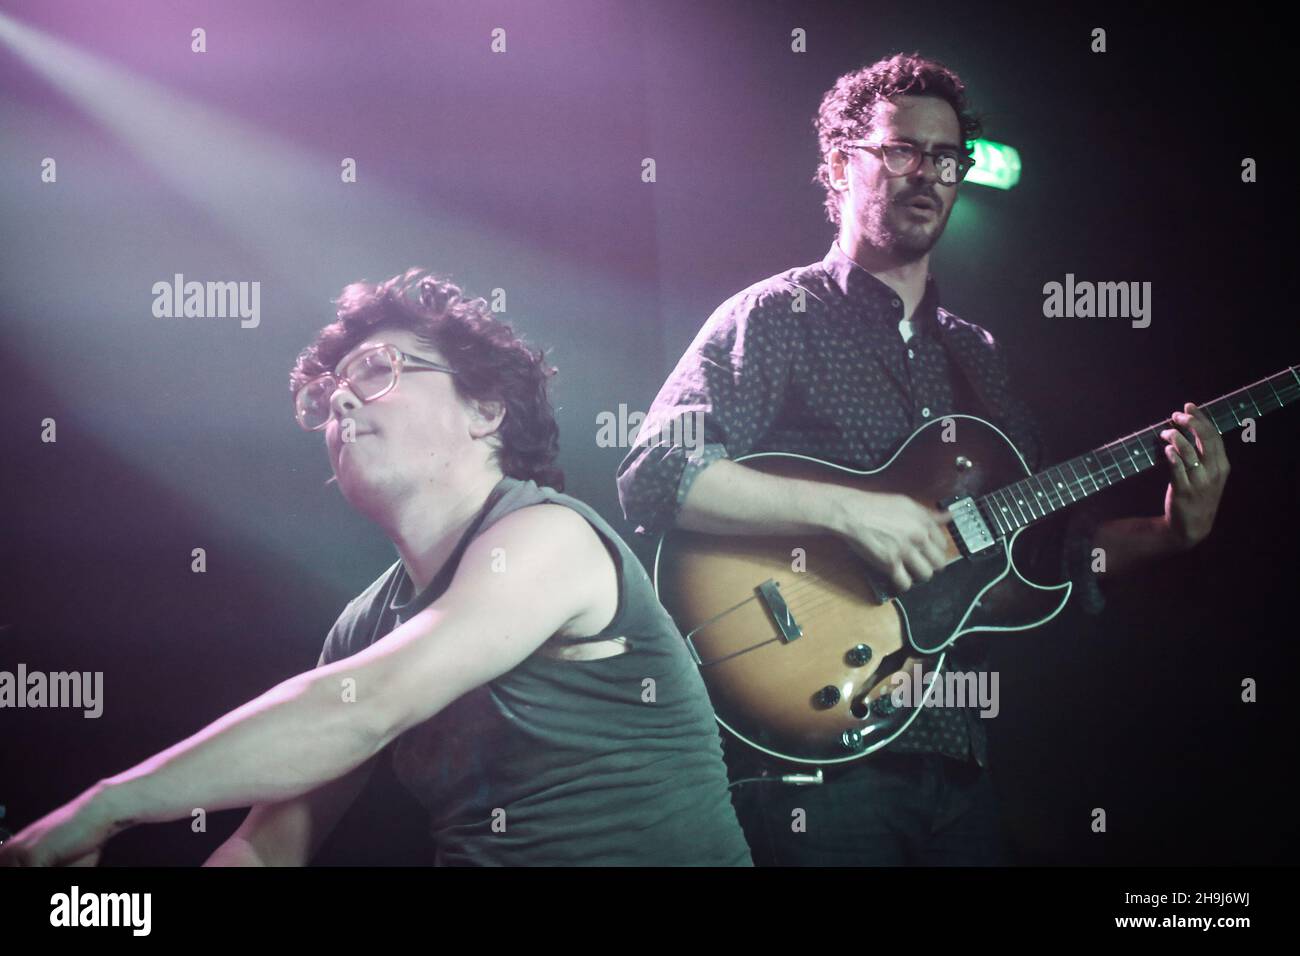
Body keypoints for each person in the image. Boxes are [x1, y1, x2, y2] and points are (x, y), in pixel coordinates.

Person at [615, 52, 1229, 865]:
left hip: (955, 758)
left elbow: (1046, 560)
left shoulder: (980, 358)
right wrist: (850, 511)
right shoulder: (773, 315)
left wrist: (1170, 534)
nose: (927, 175)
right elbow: (656, 471)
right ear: (840, 164)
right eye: (901, 150)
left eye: (946, 159)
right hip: (812, 761)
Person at [0, 269, 752, 867]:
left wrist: (105, 803)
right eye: (327, 398)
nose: (340, 406)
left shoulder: (547, 538)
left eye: (374, 372)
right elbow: (269, 847)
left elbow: (363, 707)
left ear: (485, 409)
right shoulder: (363, 626)